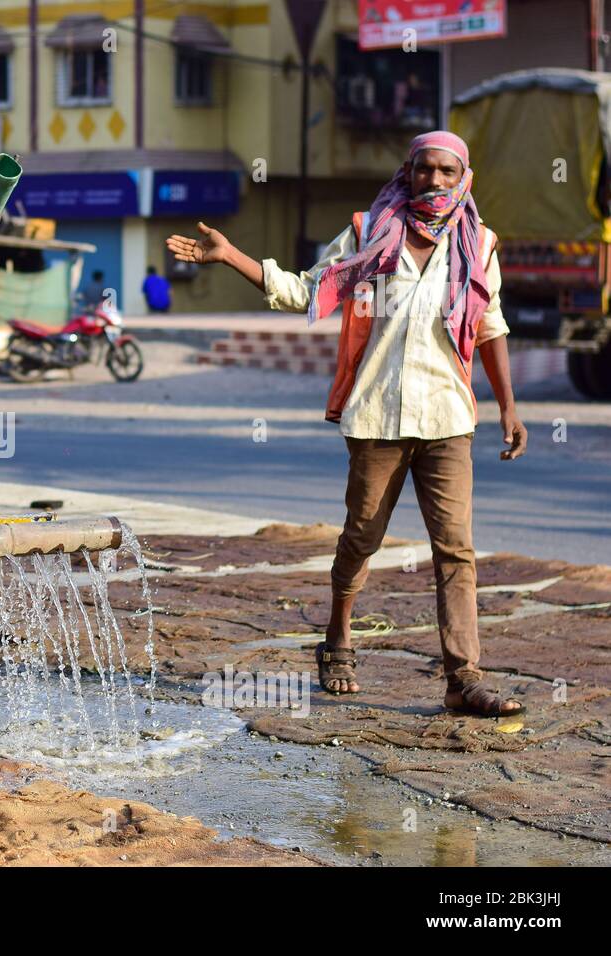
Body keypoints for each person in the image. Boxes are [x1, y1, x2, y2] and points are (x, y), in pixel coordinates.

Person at [165, 130, 527, 718]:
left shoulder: (479, 245)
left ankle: (464, 678)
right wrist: (232, 256)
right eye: (424, 170)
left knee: (456, 550)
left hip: (448, 418)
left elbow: (489, 326)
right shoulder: (367, 233)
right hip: (377, 416)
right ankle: (336, 639)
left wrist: (509, 407)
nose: (434, 181)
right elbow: (306, 291)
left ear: (466, 180)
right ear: (407, 173)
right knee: (361, 537)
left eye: (446, 172)